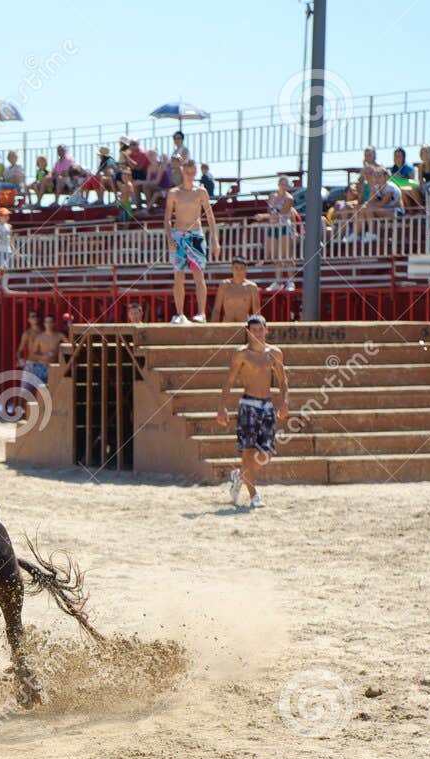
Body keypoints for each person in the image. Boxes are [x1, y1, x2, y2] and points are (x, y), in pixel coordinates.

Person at [215, 314, 288, 509]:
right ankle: (254, 495)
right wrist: (222, 406)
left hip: (267, 405)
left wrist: (285, 402)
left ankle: (240, 476)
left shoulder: (275, 353)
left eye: (260, 329)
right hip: (248, 405)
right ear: (248, 332)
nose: (257, 333)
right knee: (248, 451)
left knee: (266, 454)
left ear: (266, 329)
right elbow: (229, 380)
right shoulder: (241, 354)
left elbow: (282, 379)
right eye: (253, 330)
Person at [164, 159, 217, 323]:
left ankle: (201, 313)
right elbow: (167, 218)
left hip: (196, 235)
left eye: (192, 171)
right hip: (179, 234)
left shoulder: (201, 192)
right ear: (182, 171)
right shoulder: (174, 192)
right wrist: (169, 237)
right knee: (178, 276)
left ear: (195, 172)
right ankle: (180, 314)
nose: (190, 174)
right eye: (187, 171)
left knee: (198, 275)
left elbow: (210, 216)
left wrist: (215, 239)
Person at [259, 177, 302, 291]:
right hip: (273, 227)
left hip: (284, 227)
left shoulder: (289, 198)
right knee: (276, 256)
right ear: (278, 184)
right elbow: (271, 211)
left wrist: (263, 216)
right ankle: (278, 281)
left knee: (286, 255)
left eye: (286, 184)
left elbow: (282, 214)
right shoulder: (272, 196)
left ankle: (290, 282)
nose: (284, 186)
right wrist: (268, 217)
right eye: (282, 184)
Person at [212, 260, 262, 324]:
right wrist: (212, 330)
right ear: (232, 269)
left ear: (246, 270)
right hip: (227, 325)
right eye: (236, 268)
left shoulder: (251, 287)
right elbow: (216, 310)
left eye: (241, 268)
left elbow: (256, 312)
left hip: (244, 325)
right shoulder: (224, 285)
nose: (239, 271)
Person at [0, 207, 15, 294]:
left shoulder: (9, 226)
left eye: (7, 215)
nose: (6, 217)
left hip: (7, 249)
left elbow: (11, 238)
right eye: (4, 215)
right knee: (0, 268)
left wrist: (13, 248)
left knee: (6, 268)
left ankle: (4, 286)